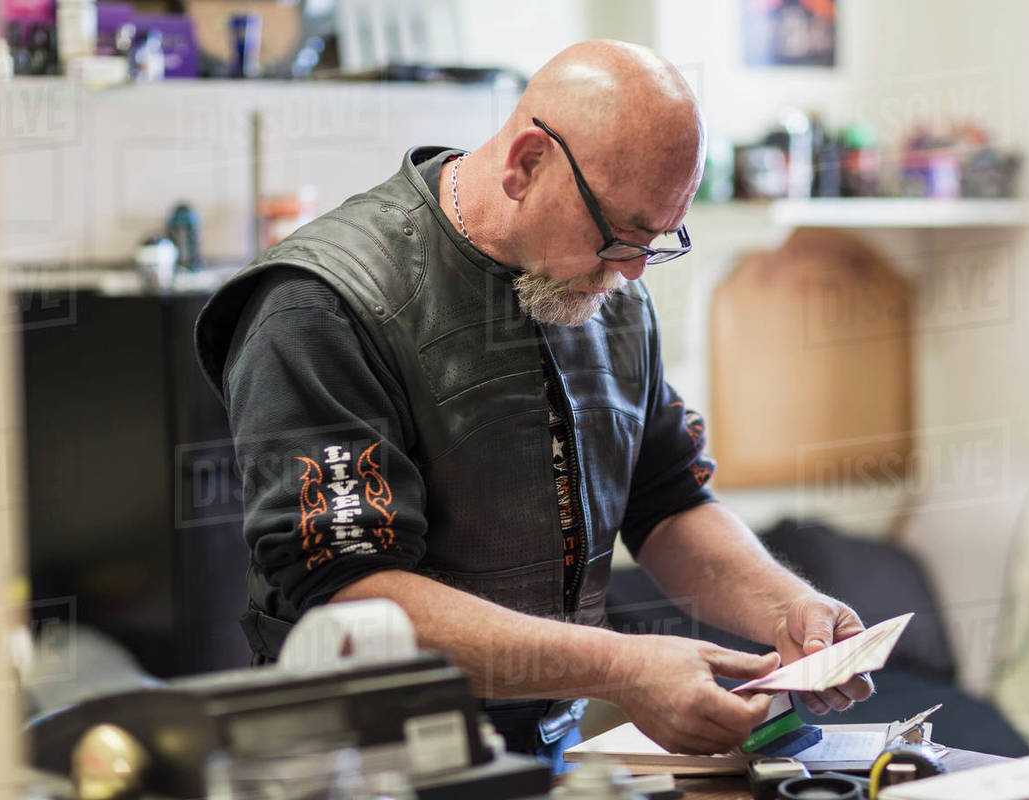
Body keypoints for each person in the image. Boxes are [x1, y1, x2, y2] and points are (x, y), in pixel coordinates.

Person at [194, 39, 873, 771]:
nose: (633, 270)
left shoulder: (608, 291)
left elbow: (669, 501)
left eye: (657, 238)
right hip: (357, 764)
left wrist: (786, 610)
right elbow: (356, 597)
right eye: (618, 234)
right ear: (525, 163)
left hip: (542, 758)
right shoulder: (321, 305)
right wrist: (621, 667)